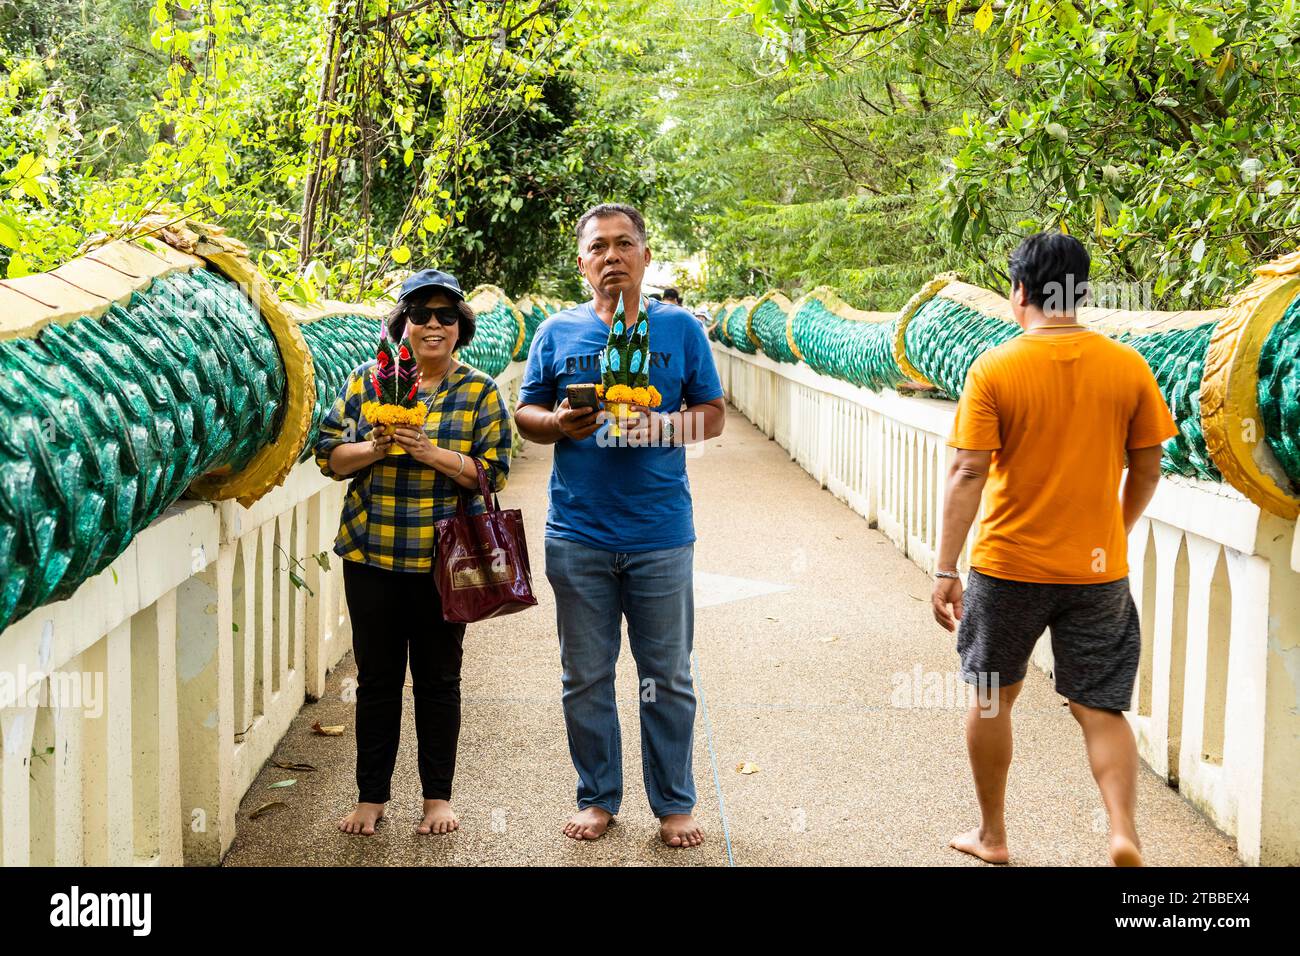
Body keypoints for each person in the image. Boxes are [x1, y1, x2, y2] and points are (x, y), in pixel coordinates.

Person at [931, 232, 1176, 867]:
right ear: (1081, 292)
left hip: (1008, 565)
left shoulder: (996, 367)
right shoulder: (1128, 367)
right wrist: (1111, 532)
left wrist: (944, 568)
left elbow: (967, 473)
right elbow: (1146, 471)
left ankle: (993, 836)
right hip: (1097, 574)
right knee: (1100, 706)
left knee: (991, 694)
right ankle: (1122, 830)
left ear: (1018, 292)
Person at [514, 203, 726, 847]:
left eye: (624, 244)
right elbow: (528, 413)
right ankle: (597, 796)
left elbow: (712, 414)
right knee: (585, 675)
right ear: (582, 263)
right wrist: (557, 425)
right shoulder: (556, 332)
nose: (612, 256)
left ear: (645, 256)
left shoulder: (681, 330)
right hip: (577, 533)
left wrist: (663, 426)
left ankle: (675, 803)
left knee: (667, 675)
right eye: (599, 247)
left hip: (660, 532)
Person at [314, 268, 513, 838]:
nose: (432, 324)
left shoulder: (478, 390)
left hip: (446, 561)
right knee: (377, 680)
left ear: (459, 328)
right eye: (420, 314)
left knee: (438, 680)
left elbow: (492, 471)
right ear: (402, 323)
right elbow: (328, 456)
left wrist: (431, 453)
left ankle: (436, 799)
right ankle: (371, 797)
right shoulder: (368, 381)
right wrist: (372, 447)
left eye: (445, 316)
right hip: (372, 552)